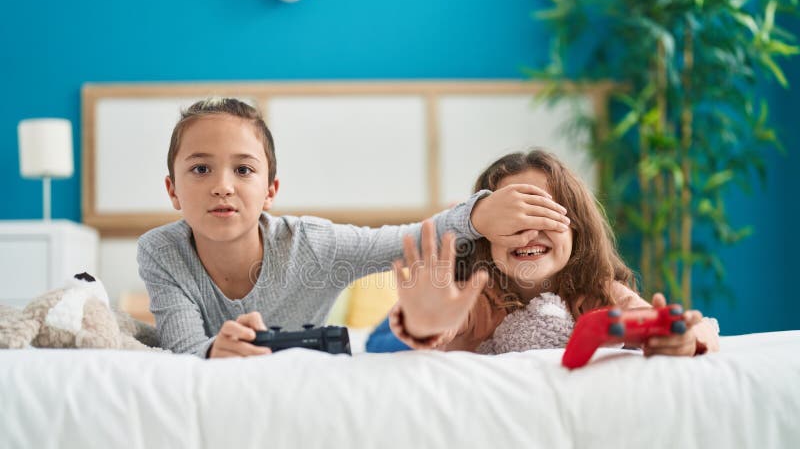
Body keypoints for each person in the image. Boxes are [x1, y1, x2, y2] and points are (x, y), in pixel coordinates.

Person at [137, 98, 572, 358]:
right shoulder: (160, 250)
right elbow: (183, 348)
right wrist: (214, 351)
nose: (222, 187)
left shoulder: (312, 247)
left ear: (271, 190)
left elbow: (405, 240)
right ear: (172, 191)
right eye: (200, 169)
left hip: (311, 371)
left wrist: (477, 216)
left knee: (385, 336)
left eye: (243, 170)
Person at [389, 149, 720, 356]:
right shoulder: (480, 297)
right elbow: (445, 322)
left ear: (576, 227)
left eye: (545, 215)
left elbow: (693, 328)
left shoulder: (600, 292)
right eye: (511, 221)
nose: (529, 233)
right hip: (391, 335)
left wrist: (684, 338)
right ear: (485, 239)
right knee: (382, 340)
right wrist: (424, 320)